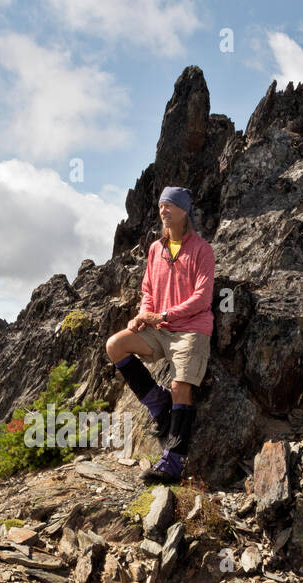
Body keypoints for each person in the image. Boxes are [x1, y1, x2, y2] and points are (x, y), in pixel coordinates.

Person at [104, 186, 215, 484]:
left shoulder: (202, 250)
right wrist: (143, 315)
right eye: (161, 206)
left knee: (181, 386)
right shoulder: (156, 248)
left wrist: (164, 315)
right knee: (115, 345)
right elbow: (148, 290)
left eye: (169, 206)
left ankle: (173, 461)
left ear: (184, 212)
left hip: (191, 329)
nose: (163, 210)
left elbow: (203, 298)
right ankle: (158, 404)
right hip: (159, 328)